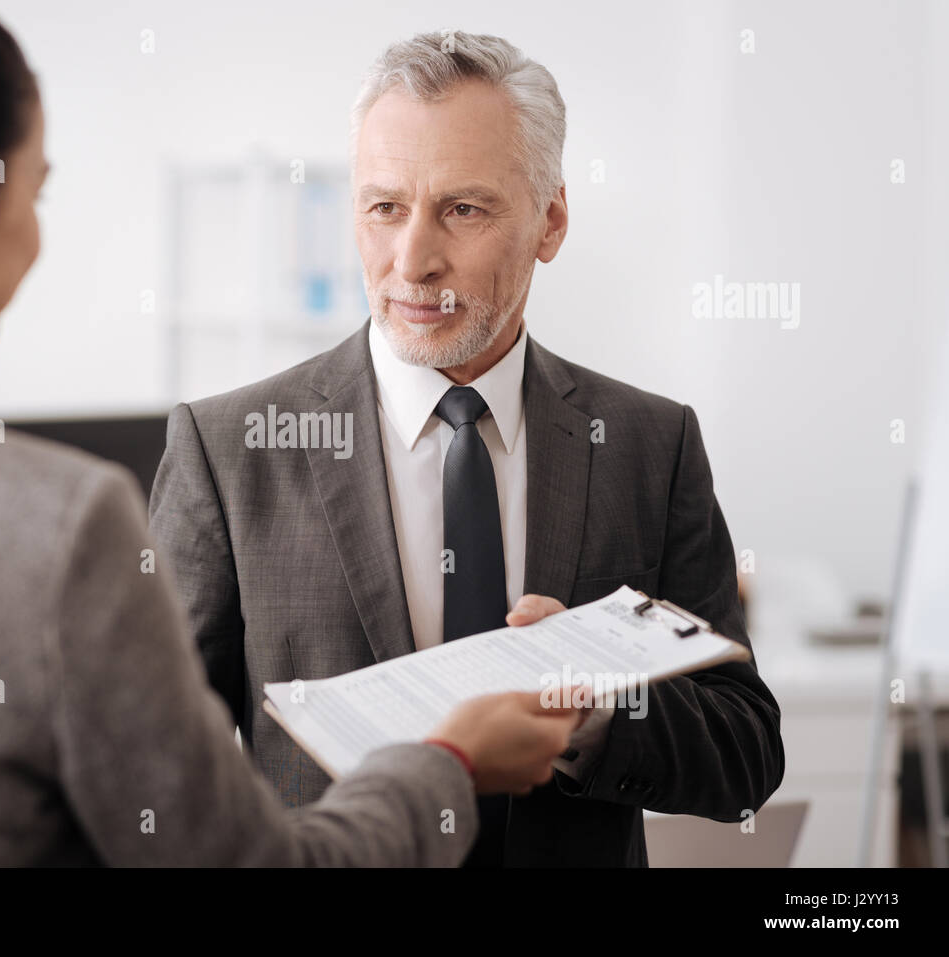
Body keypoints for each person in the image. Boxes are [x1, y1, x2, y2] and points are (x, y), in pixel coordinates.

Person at [0, 1, 580, 866]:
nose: (414, 253)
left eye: (463, 206)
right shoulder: (59, 526)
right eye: (40, 194)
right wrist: (449, 762)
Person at [150, 31, 785, 867]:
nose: (412, 261)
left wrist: (593, 709)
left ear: (549, 220)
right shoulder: (229, 451)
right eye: (385, 208)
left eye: (463, 208)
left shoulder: (649, 443)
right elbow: (150, 775)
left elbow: (745, 752)